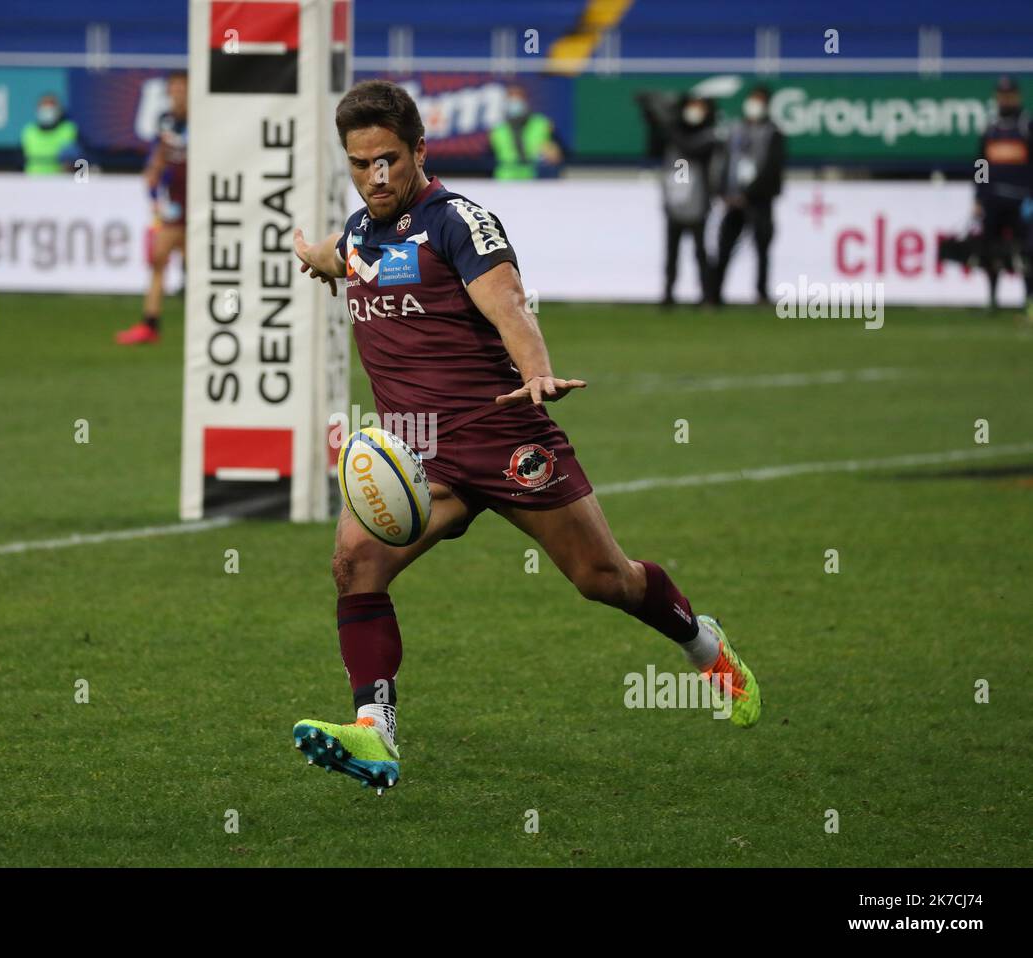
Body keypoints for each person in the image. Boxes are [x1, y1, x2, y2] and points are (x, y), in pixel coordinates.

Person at [290, 80, 761, 795]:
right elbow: (335, 255)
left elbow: (509, 301)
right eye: (359, 164)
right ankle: (374, 732)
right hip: (418, 453)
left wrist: (536, 371)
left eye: (388, 159)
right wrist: (306, 253)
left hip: (503, 434)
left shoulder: (458, 221)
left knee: (605, 581)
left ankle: (704, 644)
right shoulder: (359, 234)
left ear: (419, 150)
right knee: (355, 565)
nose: (375, 177)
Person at [117, 72, 188, 345]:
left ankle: (153, 323)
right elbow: (159, 154)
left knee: (190, 263)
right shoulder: (166, 121)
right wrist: (153, 173)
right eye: (174, 90)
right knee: (159, 258)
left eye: (182, 89)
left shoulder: (201, 121)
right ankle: (150, 322)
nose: (178, 94)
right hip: (173, 202)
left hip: (198, 200)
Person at [636, 90, 719, 306]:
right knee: (672, 253)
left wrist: (668, 124)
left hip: (698, 203)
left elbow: (690, 147)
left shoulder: (708, 136)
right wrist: (652, 120)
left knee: (701, 252)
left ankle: (707, 295)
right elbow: (653, 149)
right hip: (673, 202)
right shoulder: (673, 135)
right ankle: (668, 294)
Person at [713, 85, 785, 305]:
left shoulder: (773, 133)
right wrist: (724, 191)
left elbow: (772, 169)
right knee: (724, 247)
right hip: (733, 200)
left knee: (762, 247)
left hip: (759, 200)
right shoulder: (735, 129)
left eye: (759, 101)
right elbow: (725, 162)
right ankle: (713, 294)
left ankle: (761, 293)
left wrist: (749, 194)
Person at [973, 76, 1033, 318]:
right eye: (1001, 95)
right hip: (993, 201)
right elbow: (980, 164)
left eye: (1009, 95)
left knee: (1026, 252)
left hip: (1022, 201)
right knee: (990, 252)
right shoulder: (990, 128)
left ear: (1017, 96)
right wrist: (979, 197)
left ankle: (1028, 300)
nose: (1005, 100)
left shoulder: (1026, 127)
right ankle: (991, 299)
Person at [488, 83, 563, 180]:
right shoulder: (498, 129)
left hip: (534, 177)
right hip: (505, 179)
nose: (514, 103)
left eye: (518, 99)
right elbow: (488, 159)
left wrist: (553, 153)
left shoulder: (542, 123)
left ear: (525, 101)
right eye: (511, 99)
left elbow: (557, 154)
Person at [20, 93, 80, 175]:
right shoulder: (29, 131)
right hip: (32, 181)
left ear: (59, 110)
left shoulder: (68, 129)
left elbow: (72, 162)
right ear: (37, 110)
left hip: (59, 182)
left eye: (50, 108)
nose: (47, 111)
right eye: (44, 108)